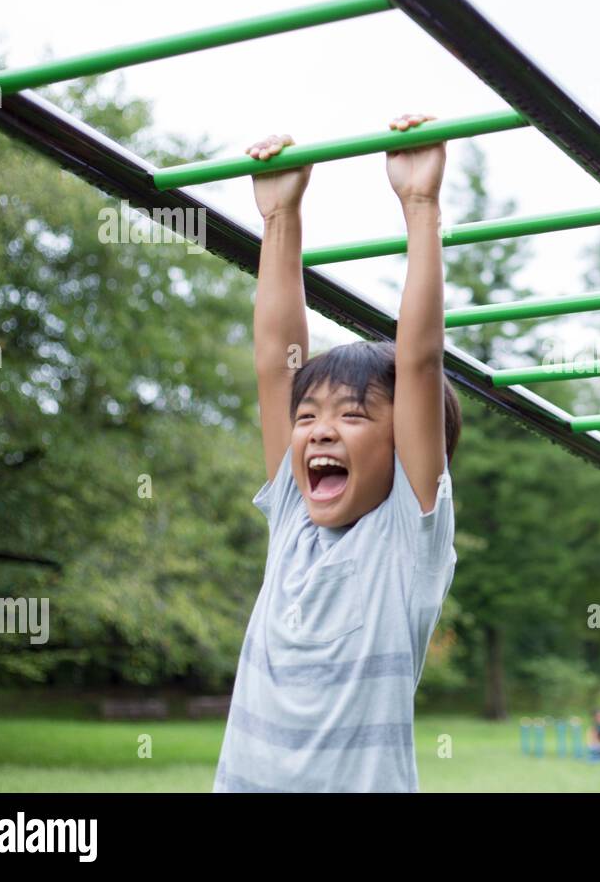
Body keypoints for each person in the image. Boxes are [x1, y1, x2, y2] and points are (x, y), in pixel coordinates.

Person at [213, 114, 462, 792]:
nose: (320, 431)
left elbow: (418, 361)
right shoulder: (293, 512)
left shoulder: (405, 539)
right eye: (309, 418)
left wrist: (419, 205)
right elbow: (275, 363)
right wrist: (279, 217)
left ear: (402, 442)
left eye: (352, 416)